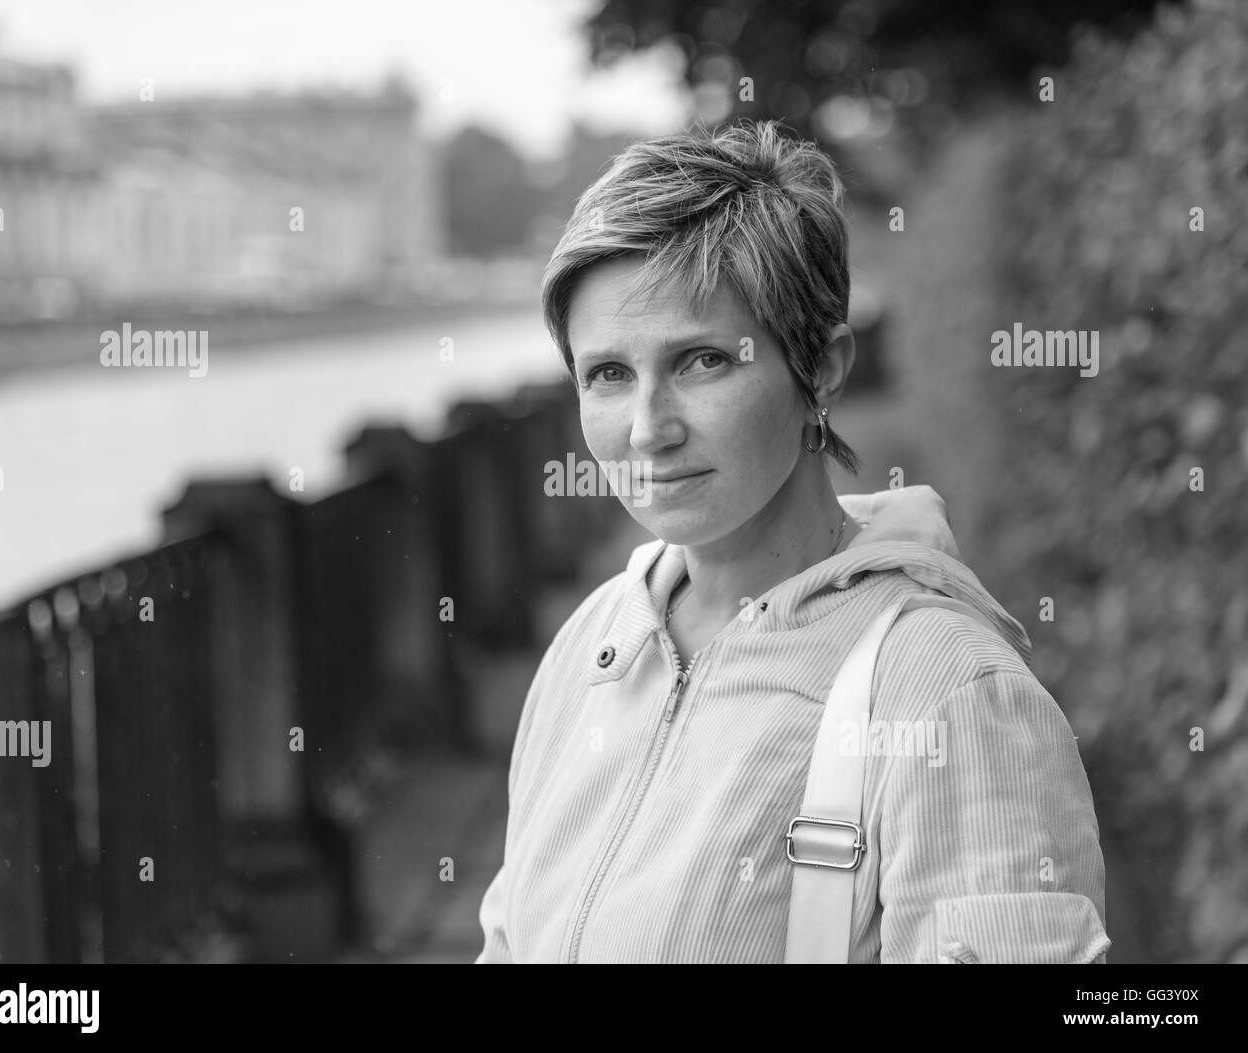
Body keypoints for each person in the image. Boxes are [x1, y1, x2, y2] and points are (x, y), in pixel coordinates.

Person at [474, 120, 1109, 964]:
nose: (646, 430)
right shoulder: (593, 645)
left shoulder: (951, 695)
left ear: (823, 368)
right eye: (609, 374)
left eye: (702, 362)